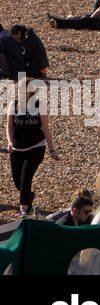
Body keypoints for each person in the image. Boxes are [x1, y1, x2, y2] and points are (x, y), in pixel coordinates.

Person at [7, 76, 60, 217]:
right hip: (17, 148)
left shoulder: (39, 104)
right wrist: (10, 141)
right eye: (20, 91)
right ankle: (28, 196)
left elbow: (46, 129)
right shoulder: (14, 104)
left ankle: (24, 208)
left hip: (35, 147)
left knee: (26, 178)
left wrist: (52, 149)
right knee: (18, 182)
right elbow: (9, 127)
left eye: (25, 91)